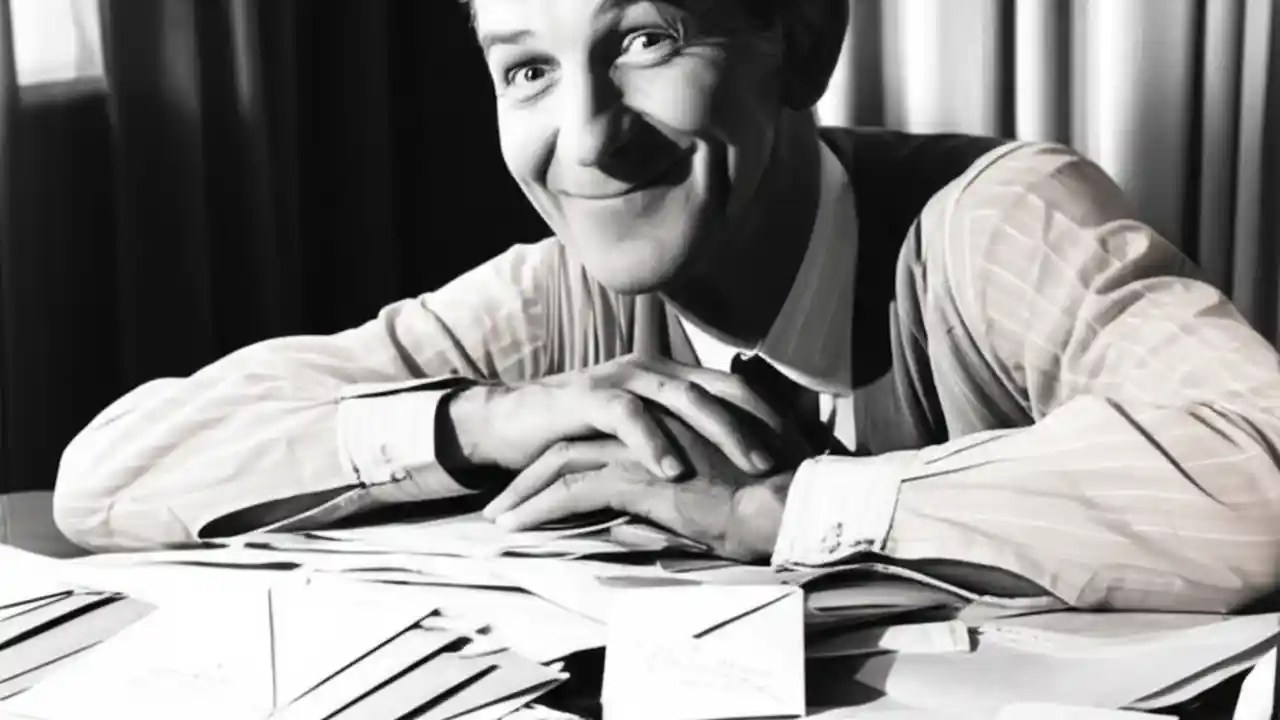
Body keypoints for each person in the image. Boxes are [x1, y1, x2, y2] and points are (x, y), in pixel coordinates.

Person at [53, 0, 1280, 613]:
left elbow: (1263, 466)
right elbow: (107, 475)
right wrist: (470, 425)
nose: (582, 138)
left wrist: (785, 508)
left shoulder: (994, 221)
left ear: (798, 45)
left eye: (643, 39)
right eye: (525, 70)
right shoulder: (555, 305)